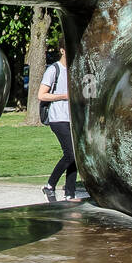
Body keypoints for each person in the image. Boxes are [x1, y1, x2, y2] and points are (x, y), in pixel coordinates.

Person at [39, 45, 76, 201]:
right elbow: (42, 95)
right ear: (62, 50)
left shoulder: (75, 70)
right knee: (70, 154)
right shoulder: (54, 70)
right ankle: (49, 185)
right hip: (57, 118)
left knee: (75, 157)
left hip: (71, 119)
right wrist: (64, 96)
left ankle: (70, 193)